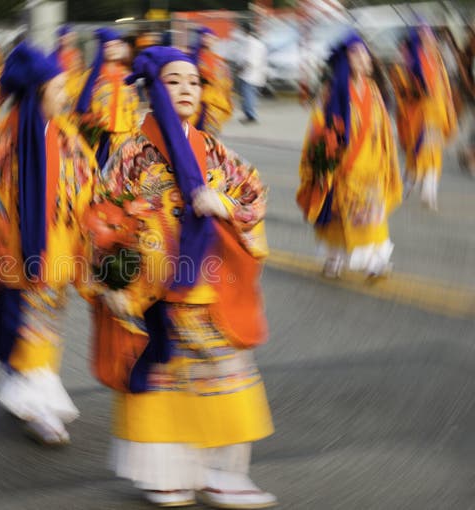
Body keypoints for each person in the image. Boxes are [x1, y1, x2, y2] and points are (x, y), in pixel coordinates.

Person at [85, 46, 275, 508]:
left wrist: (223, 203)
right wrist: (112, 281)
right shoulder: (132, 151)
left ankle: (222, 474)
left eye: (193, 81)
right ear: (154, 90)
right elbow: (100, 215)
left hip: (207, 288)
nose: (187, 88)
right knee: (157, 378)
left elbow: (252, 191)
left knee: (224, 374)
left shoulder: (212, 149)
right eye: (174, 80)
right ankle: (164, 474)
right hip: (149, 292)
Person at [0, 42, 95, 446]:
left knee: (44, 329)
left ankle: (26, 387)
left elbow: (87, 188)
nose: (66, 93)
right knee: (27, 329)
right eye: (59, 86)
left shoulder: (66, 137)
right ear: (36, 91)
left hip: (57, 255)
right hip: (13, 257)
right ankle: (38, 405)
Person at [297, 32, 402, 279]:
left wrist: (387, 158)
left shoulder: (374, 91)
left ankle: (374, 262)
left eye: (365, 53)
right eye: (357, 54)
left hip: (371, 167)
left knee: (372, 219)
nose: (364, 58)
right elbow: (318, 128)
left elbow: (384, 127)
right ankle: (333, 258)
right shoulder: (330, 93)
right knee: (337, 219)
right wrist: (324, 160)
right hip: (341, 168)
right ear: (346, 59)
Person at [395, 26, 456, 210]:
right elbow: (404, 91)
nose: (431, 41)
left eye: (431, 38)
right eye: (425, 38)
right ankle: (411, 182)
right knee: (419, 152)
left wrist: (448, 112)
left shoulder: (438, 61)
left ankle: (428, 192)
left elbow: (445, 90)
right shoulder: (412, 63)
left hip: (436, 116)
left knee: (433, 153)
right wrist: (417, 91)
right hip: (418, 117)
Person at [75, 28, 140, 168]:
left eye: (117, 45)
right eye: (109, 46)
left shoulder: (127, 75)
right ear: (101, 49)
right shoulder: (91, 78)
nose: (114, 49)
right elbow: (80, 108)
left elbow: (134, 107)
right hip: (99, 139)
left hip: (125, 138)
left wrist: (135, 136)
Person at [191, 26, 233, 138]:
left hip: (215, 101)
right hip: (200, 101)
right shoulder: (193, 58)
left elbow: (225, 81)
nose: (207, 40)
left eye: (210, 37)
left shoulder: (218, 61)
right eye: (205, 37)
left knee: (211, 137)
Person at [238, 22, 266, 124]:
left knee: (248, 95)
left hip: (249, 75)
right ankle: (249, 114)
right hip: (256, 74)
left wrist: (241, 69)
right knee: (251, 96)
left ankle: (251, 116)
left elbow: (249, 60)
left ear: (244, 30)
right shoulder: (258, 43)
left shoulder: (250, 43)